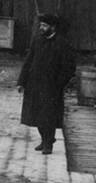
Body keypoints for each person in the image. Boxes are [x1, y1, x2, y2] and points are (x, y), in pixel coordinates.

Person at [17, 12, 77, 154]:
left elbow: (69, 67)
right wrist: (21, 82)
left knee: (48, 115)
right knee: (37, 114)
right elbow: (28, 61)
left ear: (53, 27)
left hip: (51, 87)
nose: (41, 28)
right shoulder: (38, 40)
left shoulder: (62, 44)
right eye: (41, 25)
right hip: (34, 84)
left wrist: (59, 84)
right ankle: (45, 139)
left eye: (44, 25)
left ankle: (48, 143)